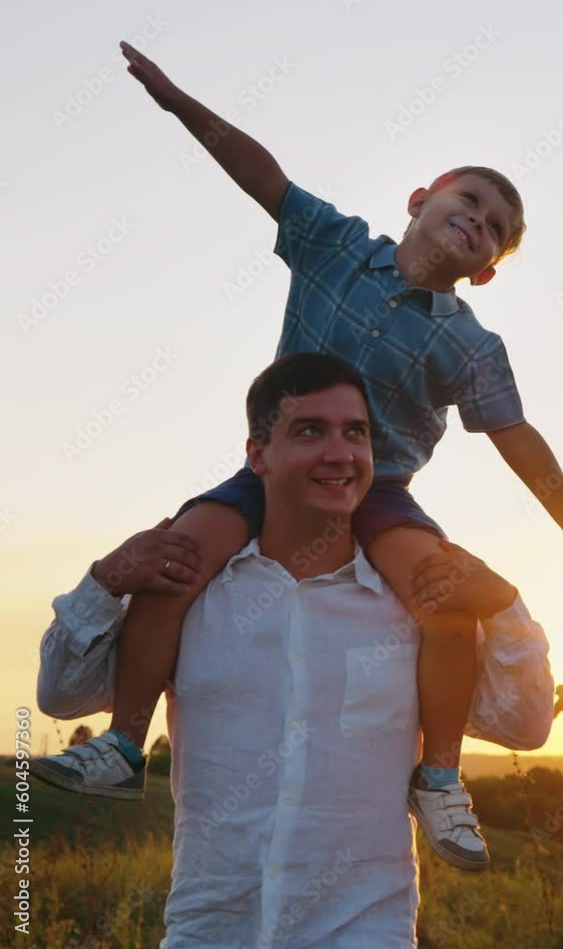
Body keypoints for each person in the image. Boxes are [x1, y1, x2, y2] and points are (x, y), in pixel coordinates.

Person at [31, 41, 563, 872]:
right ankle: (124, 748)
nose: (477, 219)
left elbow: (517, 440)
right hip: (273, 470)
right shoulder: (333, 244)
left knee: (446, 599)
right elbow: (261, 173)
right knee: (176, 560)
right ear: (420, 198)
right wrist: (179, 103)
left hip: (379, 489)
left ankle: (438, 778)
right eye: (469, 198)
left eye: (494, 229)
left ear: (488, 270)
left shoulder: (468, 342)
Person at [34, 353, 554, 948]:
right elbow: (61, 695)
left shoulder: (415, 610)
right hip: (209, 934)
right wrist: (105, 580)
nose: (341, 453)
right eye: (310, 431)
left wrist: (505, 604)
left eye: (355, 432)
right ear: (258, 454)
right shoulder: (193, 596)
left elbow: (526, 725)